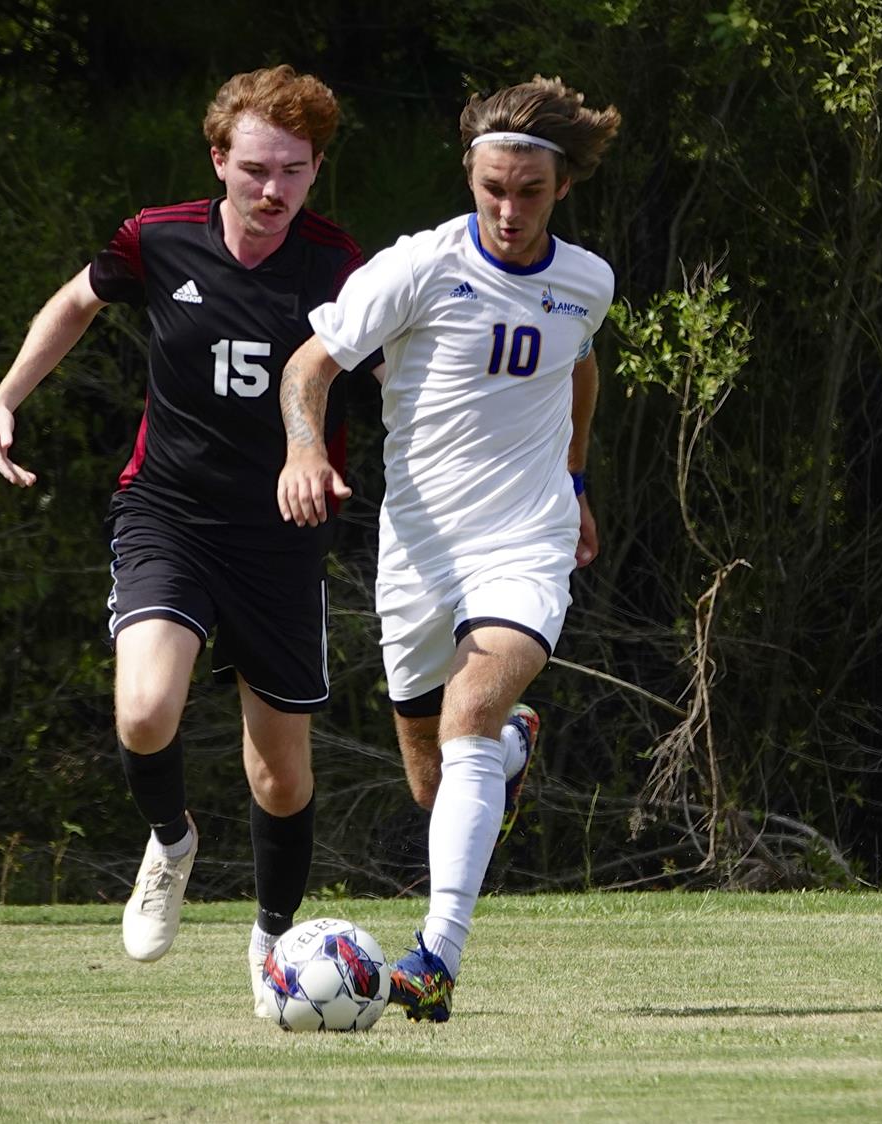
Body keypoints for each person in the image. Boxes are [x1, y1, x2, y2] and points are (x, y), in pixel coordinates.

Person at [0, 66, 375, 1016]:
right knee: (145, 712)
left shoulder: (340, 266)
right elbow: (78, 300)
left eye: (292, 169)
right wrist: (6, 395)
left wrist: (316, 453)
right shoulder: (158, 238)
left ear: (317, 170)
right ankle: (171, 840)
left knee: (280, 774)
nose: (272, 189)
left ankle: (276, 942)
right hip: (169, 513)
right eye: (254, 168)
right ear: (218, 161)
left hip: (282, 533)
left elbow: (383, 376)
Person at [276, 76, 621, 1022]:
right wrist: (306, 448)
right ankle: (507, 751)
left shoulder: (585, 281)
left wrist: (577, 482)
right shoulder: (417, 268)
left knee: (470, 706)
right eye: (492, 190)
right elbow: (311, 365)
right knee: (435, 779)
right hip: (418, 549)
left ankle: (435, 961)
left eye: (530, 194)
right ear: (471, 176)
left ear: (562, 188)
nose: (509, 212)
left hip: (527, 536)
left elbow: (579, 362)